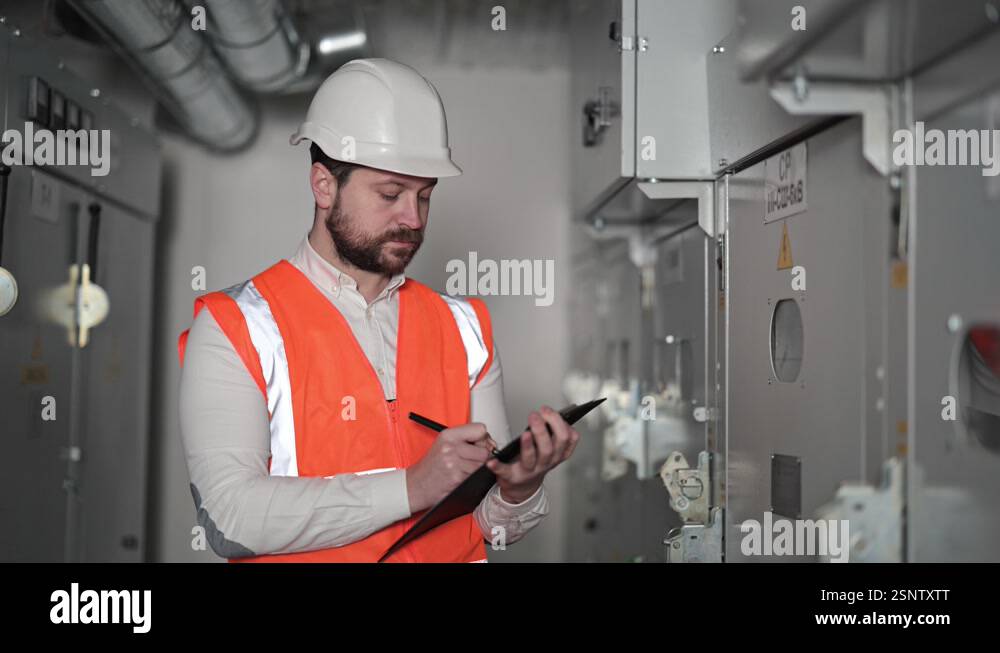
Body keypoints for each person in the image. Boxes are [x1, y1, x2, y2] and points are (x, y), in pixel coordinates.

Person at [177, 58, 579, 562]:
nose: (412, 218)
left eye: (424, 196)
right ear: (324, 186)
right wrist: (411, 487)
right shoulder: (237, 325)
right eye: (390, 193)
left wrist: (519, 488)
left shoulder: (465, 328)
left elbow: (482, 526)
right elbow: (229, 519)